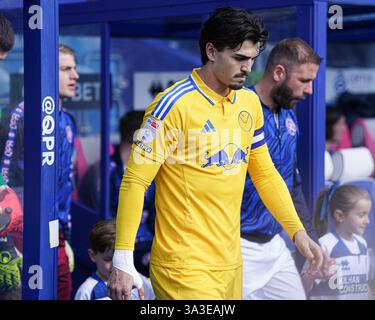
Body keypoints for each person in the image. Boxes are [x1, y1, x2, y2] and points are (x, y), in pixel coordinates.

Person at [108, 6, 324, 300]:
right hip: (183, 268)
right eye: (239, 58)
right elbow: (134, 181)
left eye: (252, 59)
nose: (247, 67)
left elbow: (265, 175)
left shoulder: (248, 102)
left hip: (232, 264)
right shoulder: (172, 105)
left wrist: (298, 232)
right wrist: (122, 258)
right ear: (211, 51)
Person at [240, 38, 326, 300]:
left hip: (275, 243)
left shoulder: (289, 115)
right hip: (237, 244)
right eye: (304, 80)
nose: (310, 90)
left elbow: (292, 185)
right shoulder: (239, 110)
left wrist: (311, 239)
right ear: (278, 72)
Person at [0, 44, 79, 299]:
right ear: (47, 72)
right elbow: (5, 177)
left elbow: (64, 185)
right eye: (66, 69)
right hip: (22, 234)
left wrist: (63, 238)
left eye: (74, 68)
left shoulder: (67, 119)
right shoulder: (21, 115)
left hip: (55, 233)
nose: (75, 76)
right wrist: (7, 244)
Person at [78, 110, 155, 277]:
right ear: (138, 136)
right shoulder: (103, 172)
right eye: (150, 134)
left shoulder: (153, 169)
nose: (156, 141)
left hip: (148, 244)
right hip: (118, 247)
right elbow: (100, 223)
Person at [303, 185, 372, 300]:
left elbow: (365, 286)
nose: (367, 221)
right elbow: (302, 288)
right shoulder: (324, 245)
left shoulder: (362, 244)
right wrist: (311, 275)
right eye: (361, 215)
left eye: (367, 214)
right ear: (340, 215)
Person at [75, 219, 154, 300]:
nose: (115, 266)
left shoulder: (137, 280)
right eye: (108, 259)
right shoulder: (87, 291)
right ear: (93, 255)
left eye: (121, 260)